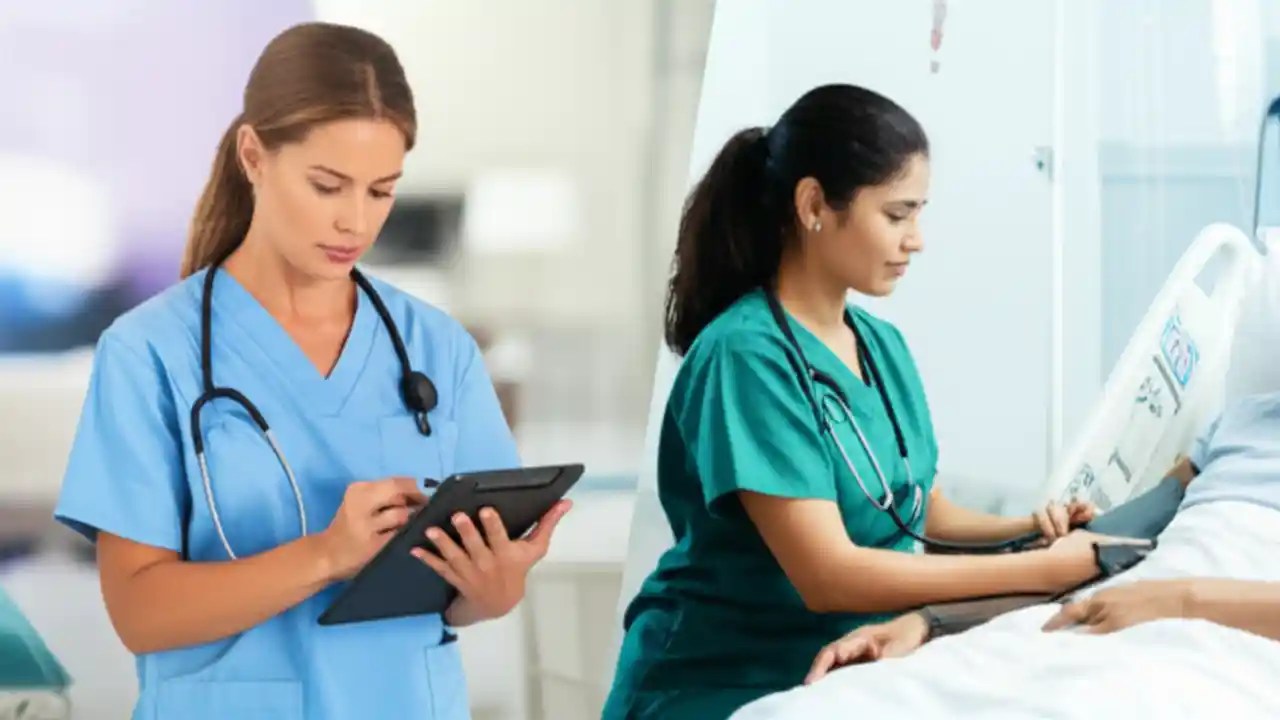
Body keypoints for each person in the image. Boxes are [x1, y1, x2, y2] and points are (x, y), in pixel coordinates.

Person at [52, 22, 569, 720]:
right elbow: (140, 612)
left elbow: (474, 601)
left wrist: (496, 585)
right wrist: (325, 556)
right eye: (327, 186)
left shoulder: (437, 349)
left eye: (382, 192)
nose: (355, 222)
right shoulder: (149, 353)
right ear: (253, 156)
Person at [602, 83, 1127, 720]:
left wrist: (1032, 535)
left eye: (919, 213)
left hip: (849, 671)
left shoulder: (880, 344)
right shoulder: (746, 357)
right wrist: (1042, 574)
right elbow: (830, 574)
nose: (917, 240)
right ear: (814, 204)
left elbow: (919, 511)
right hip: (722, 681)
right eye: (897, 214)